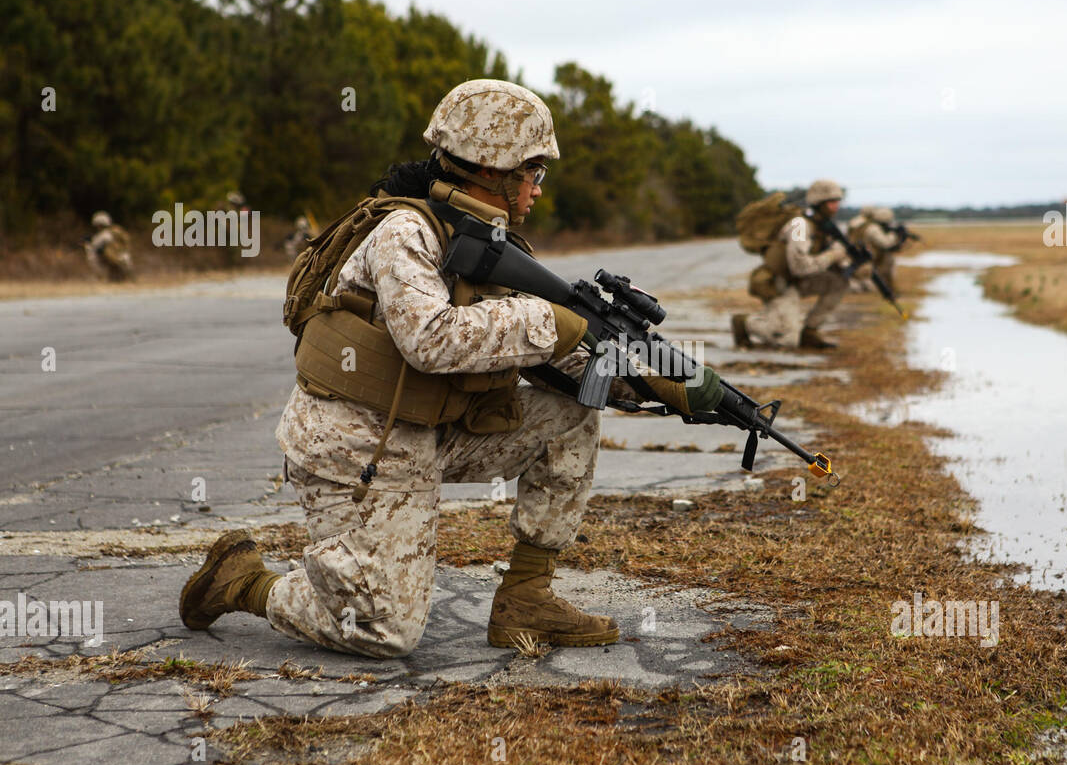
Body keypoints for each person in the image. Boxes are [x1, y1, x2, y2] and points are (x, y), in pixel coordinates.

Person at [179, 79, 721, 658]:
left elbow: (549, 357)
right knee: (385, 631)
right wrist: (550, 320)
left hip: (433, 431)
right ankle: (244, 582)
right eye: (533, 171)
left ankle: (526, 599)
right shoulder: (405, 232)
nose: (539, 188)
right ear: (492, 169)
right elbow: (430, 340)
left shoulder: (489, 240)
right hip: (356, 448)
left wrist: (647, 381)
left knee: (569, 415)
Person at [732, 179, 850, 350]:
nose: (836, 207)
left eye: (838, 201)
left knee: (839, 282)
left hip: (799, 281)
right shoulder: (799, 226)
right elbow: (799, 267)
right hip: (779, 283)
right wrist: (833, 256)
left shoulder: (823, 227)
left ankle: (809, 331)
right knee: (788, 340)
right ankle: (745, 323)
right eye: (831, 202)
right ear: (819, 203)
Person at [847, 206, 904, 296]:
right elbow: (886, 243)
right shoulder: (872, 227)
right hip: (867, 259)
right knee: (888, 261)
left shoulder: (855, 224)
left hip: (854, 257)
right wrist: (894, 234)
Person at [85, 211, 134, 281]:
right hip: (120, 256)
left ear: (99, 224)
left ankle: (101, 278)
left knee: (92, 256)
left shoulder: (103, 235)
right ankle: (128, 278)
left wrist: (88, 244)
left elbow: (94, 247)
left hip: (111, 258)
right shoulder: (117, 231)